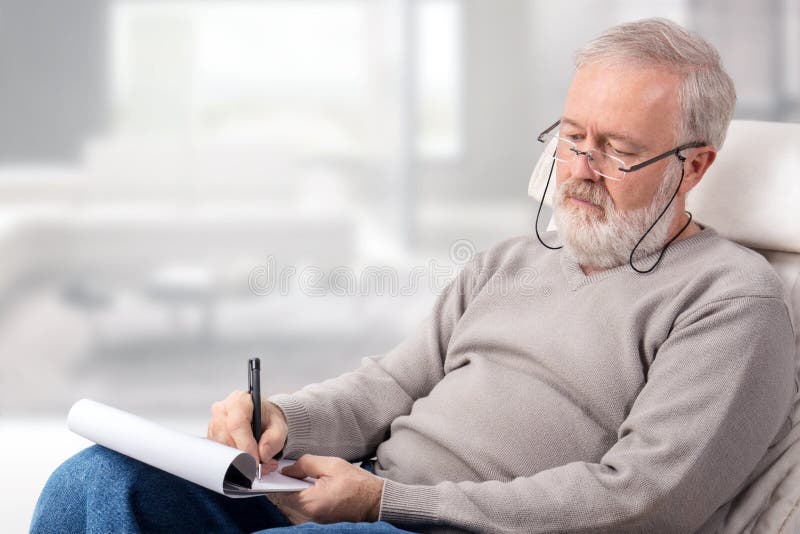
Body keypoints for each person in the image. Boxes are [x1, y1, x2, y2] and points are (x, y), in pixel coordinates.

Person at [31, 17, 796, 534]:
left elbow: (648, 500)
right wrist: (282, 421)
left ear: (696, 166)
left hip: (449, 525)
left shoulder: (732, 300)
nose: (580, 170)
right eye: (571, 138)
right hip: (361, 497)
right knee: (96, 483)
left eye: (617, 150)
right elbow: (388, 387)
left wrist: (389, 499)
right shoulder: (509, 261)